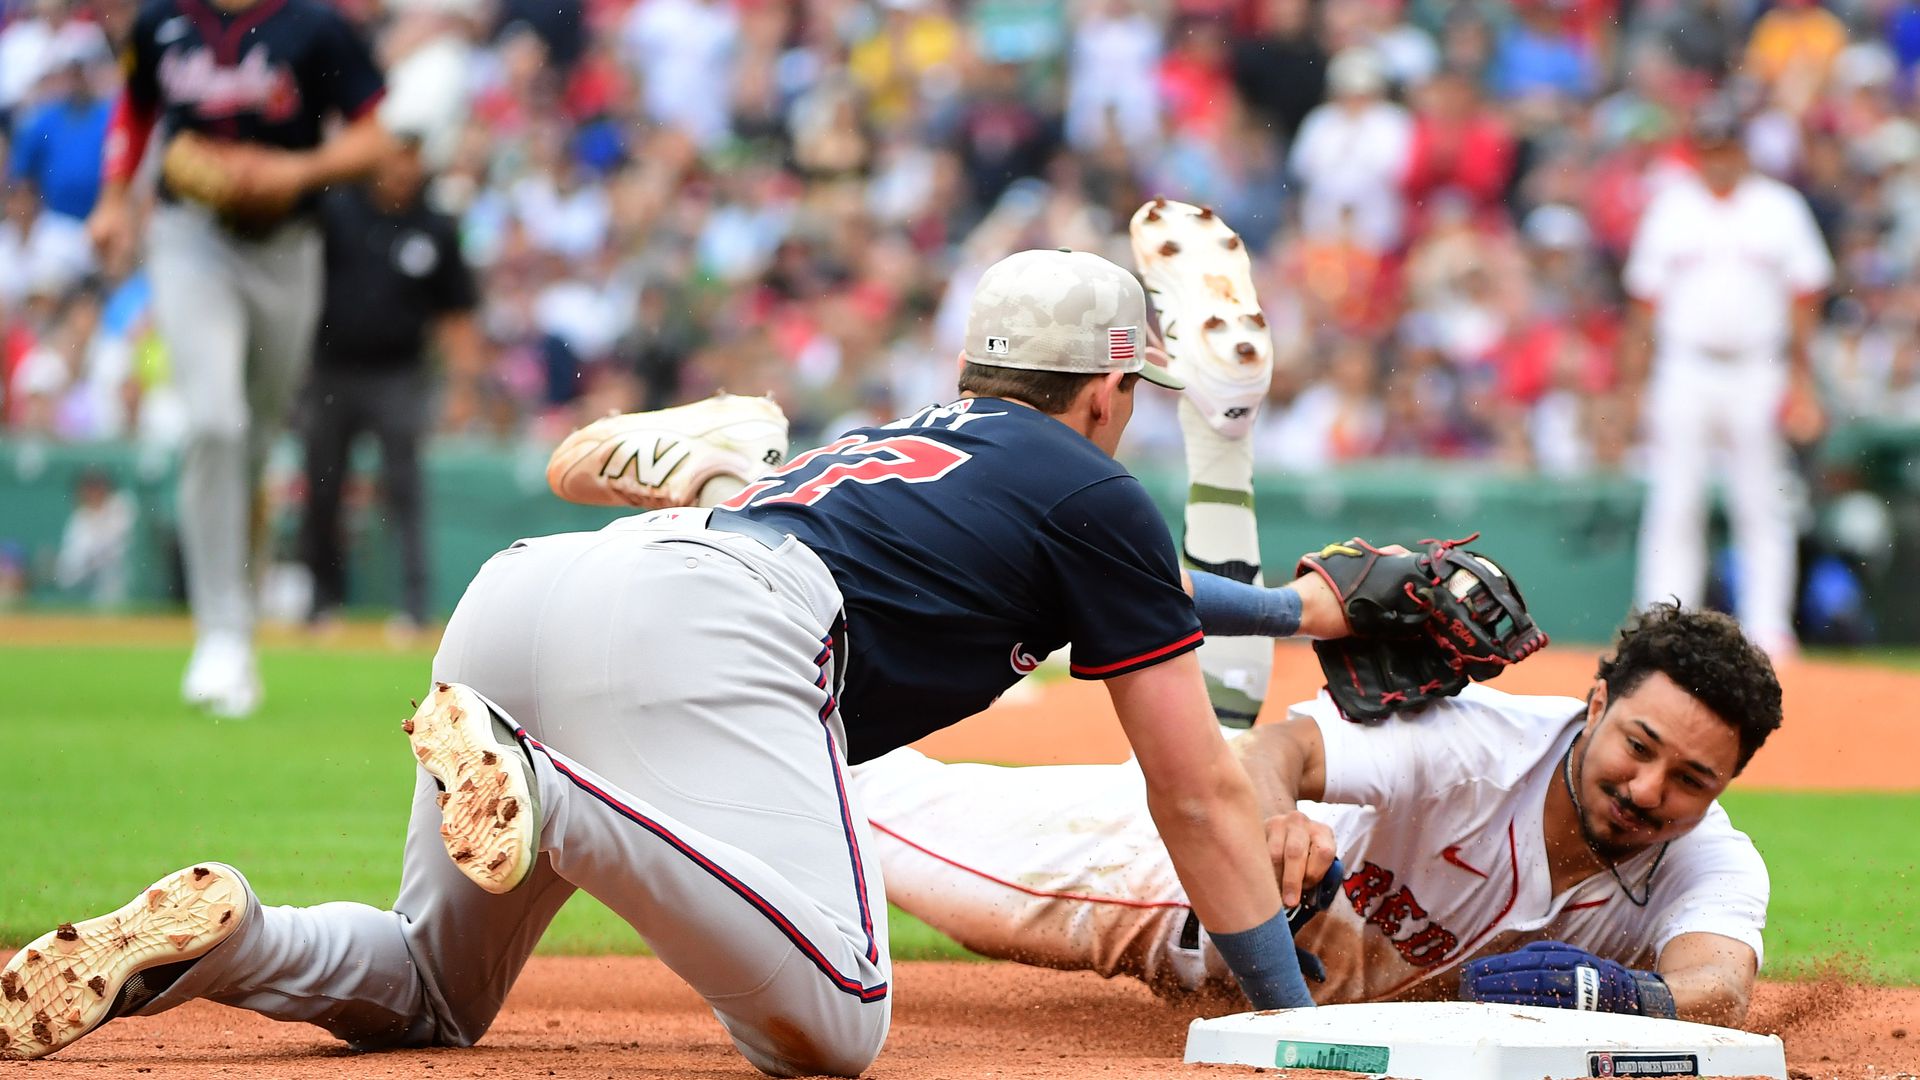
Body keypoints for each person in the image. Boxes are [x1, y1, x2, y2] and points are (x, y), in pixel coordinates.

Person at [1, 239, 1344, 1074]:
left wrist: (1306, 616)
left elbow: (1142, 596)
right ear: (1109, 389)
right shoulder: (1087, 491)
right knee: (837, 1025)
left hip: (536, 593)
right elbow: (1194, 789)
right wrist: (1284, 1020)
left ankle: (230, 941)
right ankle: (555, 797)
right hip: (712, 630)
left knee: (430, 992)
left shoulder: (898, 444)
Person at [852, 600, 1780, 1027]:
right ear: (1596, 702)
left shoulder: (1708, 861)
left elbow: (1721, 987)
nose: (1651, 791)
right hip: (1153, 884)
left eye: (1693, 779)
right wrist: (1271, 822)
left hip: (1290, 997)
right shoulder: (1484, 746)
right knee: (871, 818)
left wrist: (1623, 996)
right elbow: (1280, 751)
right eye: (1640, 745)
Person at [84, 0, 393, 717]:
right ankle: (220, 633)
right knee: (214, 423)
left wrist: (295, 170)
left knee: (252, 444)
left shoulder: (312, 24)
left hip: (288, 247)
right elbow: (134, 111)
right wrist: (110, 200)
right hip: (191, 238)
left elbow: (375, 139)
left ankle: (239, 624)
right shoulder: (163, 19)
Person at [1622, 98, 1833, 661]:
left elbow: (1807, 297)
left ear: (1743, 151)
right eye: (1709, 149)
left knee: (1762, 502)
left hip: (1758, 367)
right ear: (1698, 153)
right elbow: (1643, 304)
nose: (1718, 159)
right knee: (1675, 498)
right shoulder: (1672, 206)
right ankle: (1660, 624)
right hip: (1683, 365)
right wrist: (1633, 386)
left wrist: (1803, 381)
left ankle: (1769, 631)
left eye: (1727, 148)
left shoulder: (1779, 207)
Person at [300, 133, 483, 633]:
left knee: (405, 487)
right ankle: (320, 601)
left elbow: (457, 312)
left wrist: (463, 385)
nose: (402, 169)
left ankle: (415, 606)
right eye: (395, 156)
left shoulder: (435, 226)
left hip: (399, 372)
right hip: (331, 368)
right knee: (322, 485)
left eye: (411, 156)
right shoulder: (336, 214)